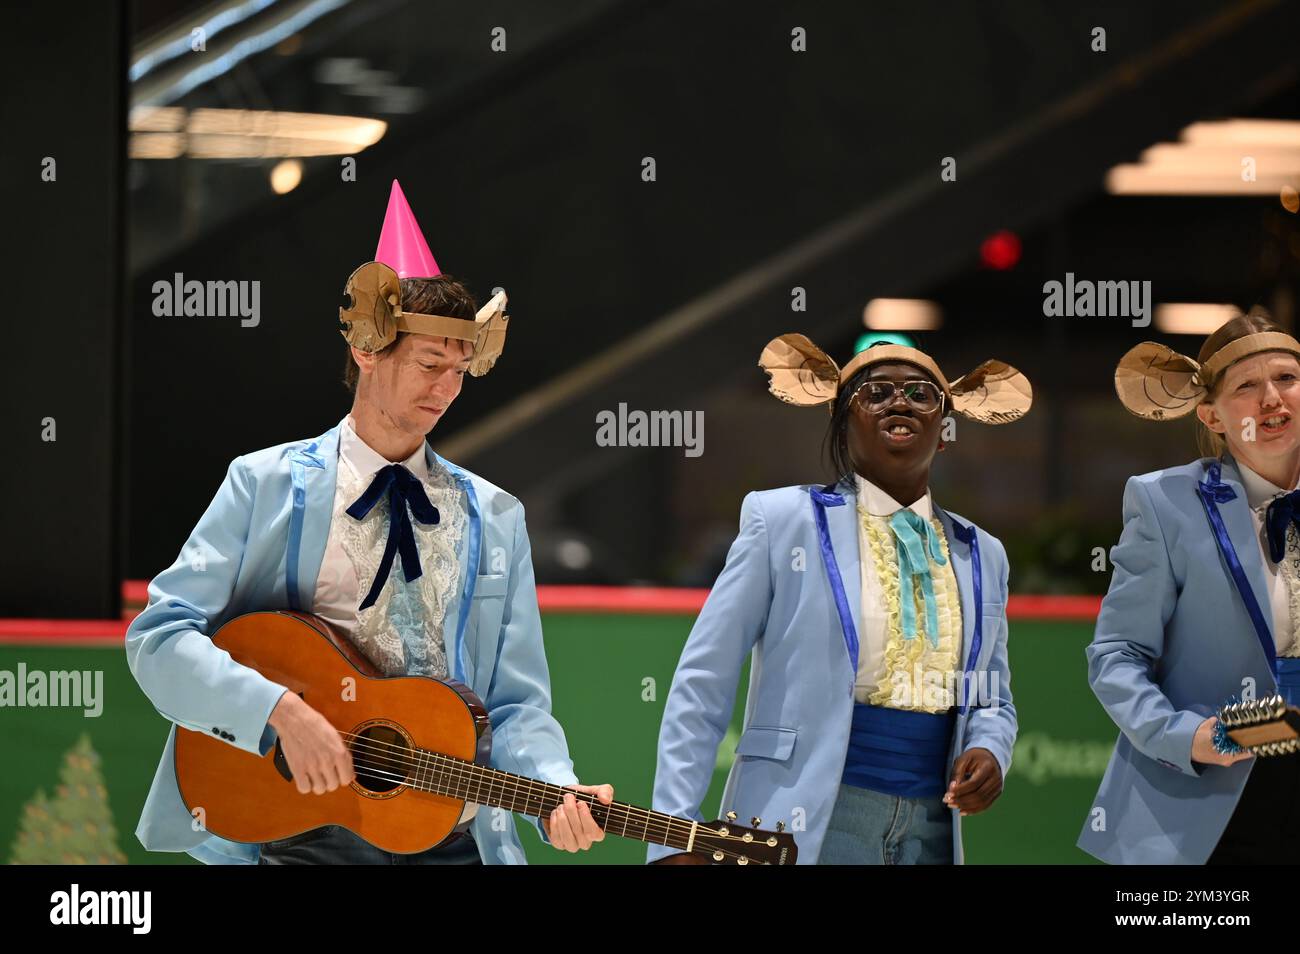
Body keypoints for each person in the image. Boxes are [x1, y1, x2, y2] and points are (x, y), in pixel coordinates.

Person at [128, 180, 612, 865]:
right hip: (303, 830)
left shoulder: (496, 516)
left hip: (449, 838)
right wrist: (279, 712)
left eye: (460, 369)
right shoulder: (263, 485)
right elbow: (160, 639)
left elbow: (514, 703)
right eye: (429, 364)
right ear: (365, 350)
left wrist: (556, 787)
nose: (446, 390)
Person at [647, 333, 1030, 864]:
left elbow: (993, 696)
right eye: (876, 393)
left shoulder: (983, 553)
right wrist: (674, 832)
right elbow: (703, 680)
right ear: (842, 423)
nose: (900, 401)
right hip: (802, 822)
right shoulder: (781, 522)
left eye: (921, 394)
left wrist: (991, 747)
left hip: (932, 830)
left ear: (944, 430)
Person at [1081, 308, 1300, 865]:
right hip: (1213, 799)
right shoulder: (1165, 502)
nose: (1272, 399)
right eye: (1248, 386)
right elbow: (1116, 656)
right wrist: (1189, 737)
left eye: (1288, 379)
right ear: (1213, 415)